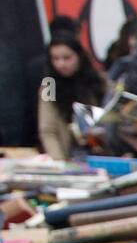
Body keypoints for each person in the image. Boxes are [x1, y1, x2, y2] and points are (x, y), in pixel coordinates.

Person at [38, 31, 105, 159]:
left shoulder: (98, 81)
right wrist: (59, 162)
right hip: (67, 154)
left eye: (67, 58)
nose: (60, 64)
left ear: (79, 56)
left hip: (101, 152)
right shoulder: (49, 86)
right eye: (55, 59)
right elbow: (47, 130)